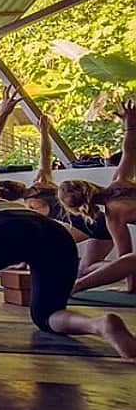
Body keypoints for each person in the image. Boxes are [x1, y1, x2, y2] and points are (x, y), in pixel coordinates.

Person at [0, 88, 134, 359]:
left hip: (6, 227)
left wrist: (2, 114)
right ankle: (99, 324)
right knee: (47, 315)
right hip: (53, 235)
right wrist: (3, 112)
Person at [0, 117, 113, 276]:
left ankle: (126, 266)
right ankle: (124, 266)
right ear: (18, 184)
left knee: (50, 244)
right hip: (100, 221)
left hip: (90, 224)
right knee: (83, 268)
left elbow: (34, 235)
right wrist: (44, 131)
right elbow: (45, 155)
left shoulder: (32, 205)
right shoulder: (41, 182)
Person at [58, 100, 136, 291]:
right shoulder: (120, 181)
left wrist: (131, 287)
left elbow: (126, 257)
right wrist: (130, 124)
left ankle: (74, 287)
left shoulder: (113, 216)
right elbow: (129, 150)